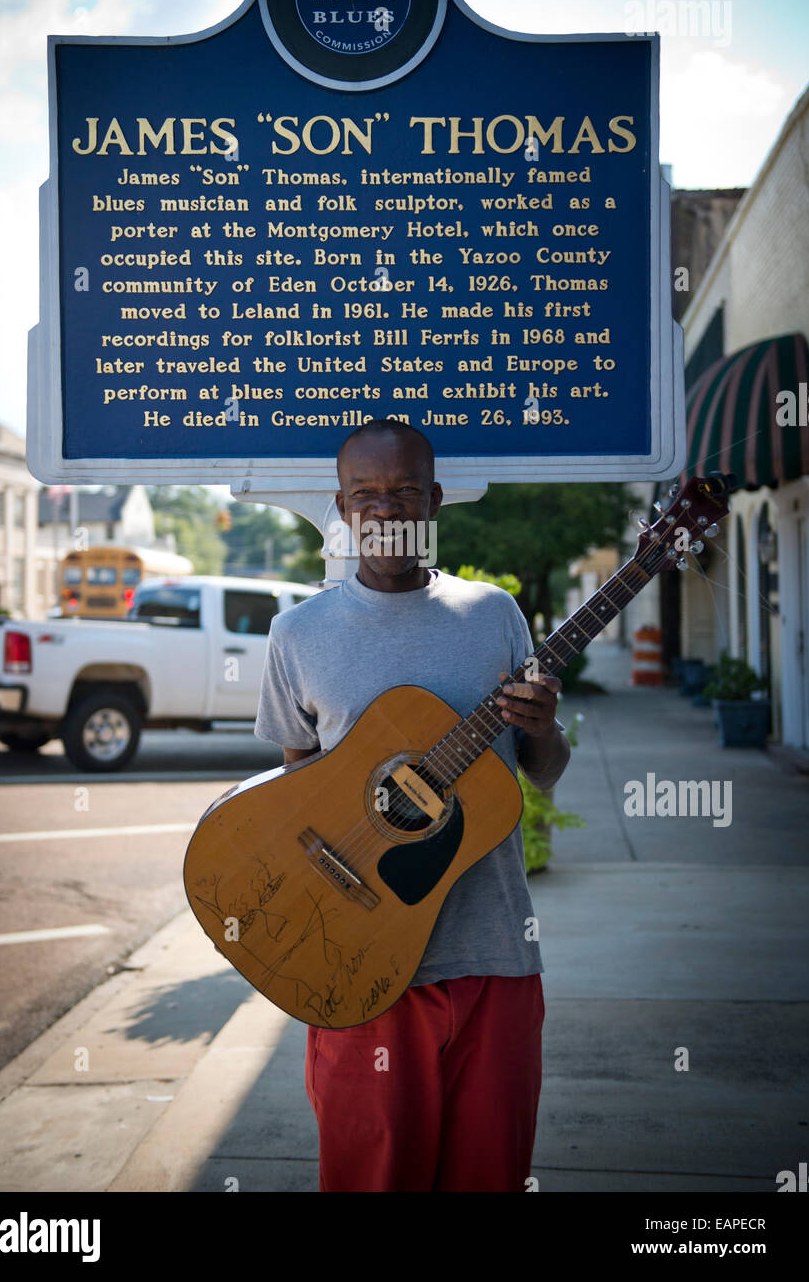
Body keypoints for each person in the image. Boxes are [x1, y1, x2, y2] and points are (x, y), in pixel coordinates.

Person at [254, 418, 571, 1192]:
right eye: (365, 493)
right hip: (362, 967)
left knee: (489, 1176)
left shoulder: (492, 614)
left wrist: (542, 728)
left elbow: (545, 772)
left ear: (432, 500)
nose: (385, 508)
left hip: (495, 955)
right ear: (341, 505)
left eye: (402, 490)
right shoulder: (296, 634)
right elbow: (299, 793)